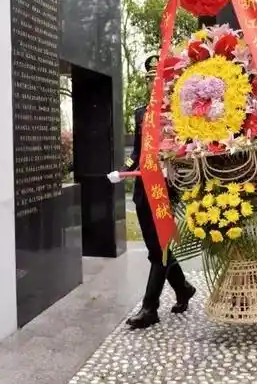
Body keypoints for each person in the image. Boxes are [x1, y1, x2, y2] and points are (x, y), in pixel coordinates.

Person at [106, 55, 196, 329]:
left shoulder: (179, 112)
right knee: (155, 248)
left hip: (166, 187)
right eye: (149, 79)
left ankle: (149, 308)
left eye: (158, 79)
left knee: (160, 250)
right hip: (144, 188)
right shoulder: (141, 112)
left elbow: (187, 151)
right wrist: (123, 170)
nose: (152, 84)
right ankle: (183, 288)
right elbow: (137, 152)